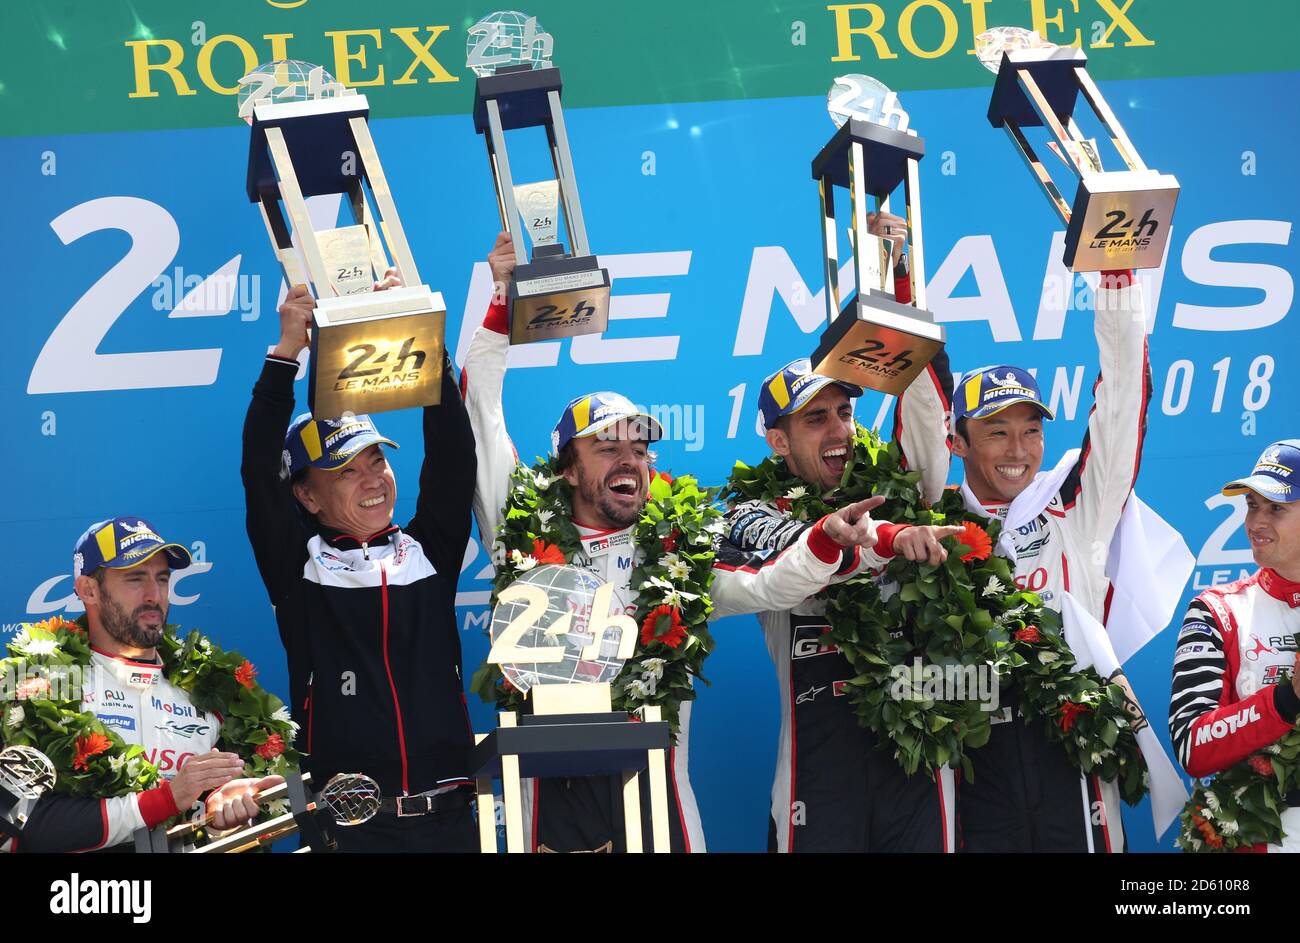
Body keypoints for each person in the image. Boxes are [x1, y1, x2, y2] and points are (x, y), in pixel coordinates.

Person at [463, 230, 958, 852]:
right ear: (566, 466)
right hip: (548, 806)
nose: (630, 459)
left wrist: (827, 544)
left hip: (661, 808)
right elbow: (481, 414)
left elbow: (767, 584)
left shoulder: (681, 558)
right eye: (608, 446)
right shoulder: (517, 525)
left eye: (640, 448)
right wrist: (502, 299)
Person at [719, 211, 962, 852]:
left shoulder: (901, 485)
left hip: (915, 759)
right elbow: (791, 566)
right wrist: (876, 539)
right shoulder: (752, 516)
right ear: (778, 440)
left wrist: (897, 281)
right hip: (813, 770)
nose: (838, 431)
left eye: (845, 412)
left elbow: (928, 407)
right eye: (814, 419)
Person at [240, 276, 479, 852]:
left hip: (450, 822)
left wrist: (415, 334)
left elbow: (452, 456)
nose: (373, 479)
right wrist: (285, 356)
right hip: (351, 828)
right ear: (306, 496)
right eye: (346, 470)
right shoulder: (300, 569)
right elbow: (256, 472)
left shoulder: (428, 553)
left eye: (377, 460)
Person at [934, 268, 1150, 852]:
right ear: (957, 442)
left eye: (1031, 431)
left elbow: (1121, 404)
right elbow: (917, 406)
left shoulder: (1075, 508)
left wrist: (1117, 279)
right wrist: (894, 270)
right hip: (973, 757)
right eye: (997, 432)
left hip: (1070, 752)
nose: (1019, 451)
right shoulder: (929, 524)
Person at [5, 517, 281, 853]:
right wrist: (166, 798)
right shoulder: (40, 687)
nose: (155, 595)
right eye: (135, 579)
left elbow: (211, 827)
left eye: (162, 579)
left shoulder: (209, 692)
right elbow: (25, 823)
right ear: (87, 589)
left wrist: (219, 821)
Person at [1169, 440, 1300, 852]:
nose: (1256, 522)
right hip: (1262, 837)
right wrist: (1286, 700)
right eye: (1251, 505)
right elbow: (1192, 745)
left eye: (1276, 508)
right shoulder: (1218, 611)